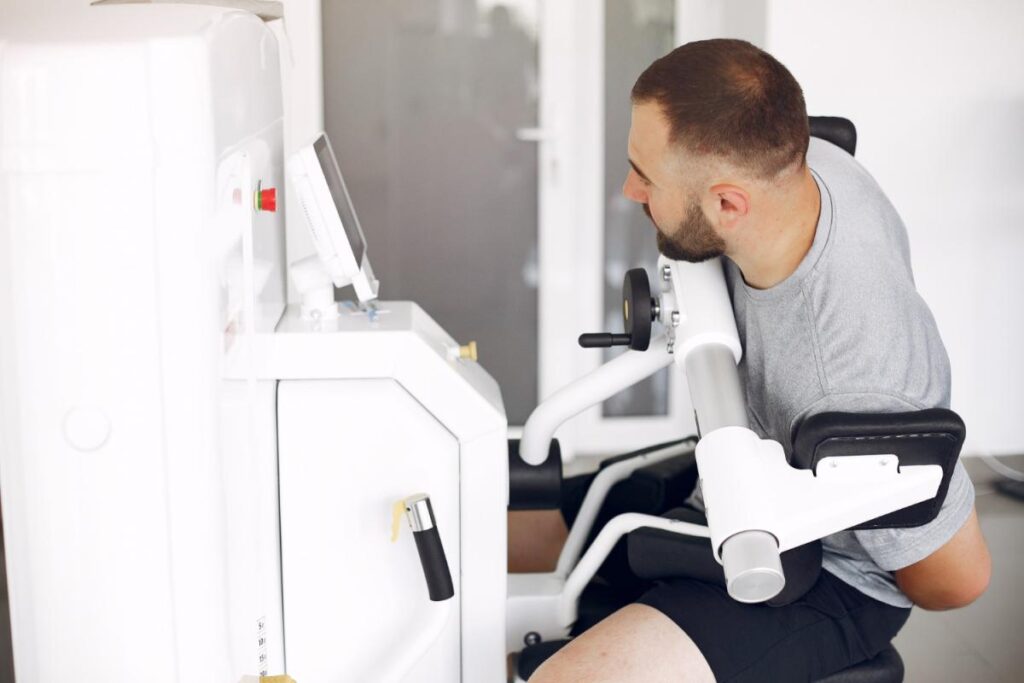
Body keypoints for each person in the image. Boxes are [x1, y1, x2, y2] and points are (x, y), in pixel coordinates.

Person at [527, 39, 991, 683]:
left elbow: (959, 582)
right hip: (740, 477)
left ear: (727, 205)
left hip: (826, 574)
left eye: (645, 175)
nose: (628, 188)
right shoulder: (805, 160)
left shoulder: (857, 383)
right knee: (501, 533)